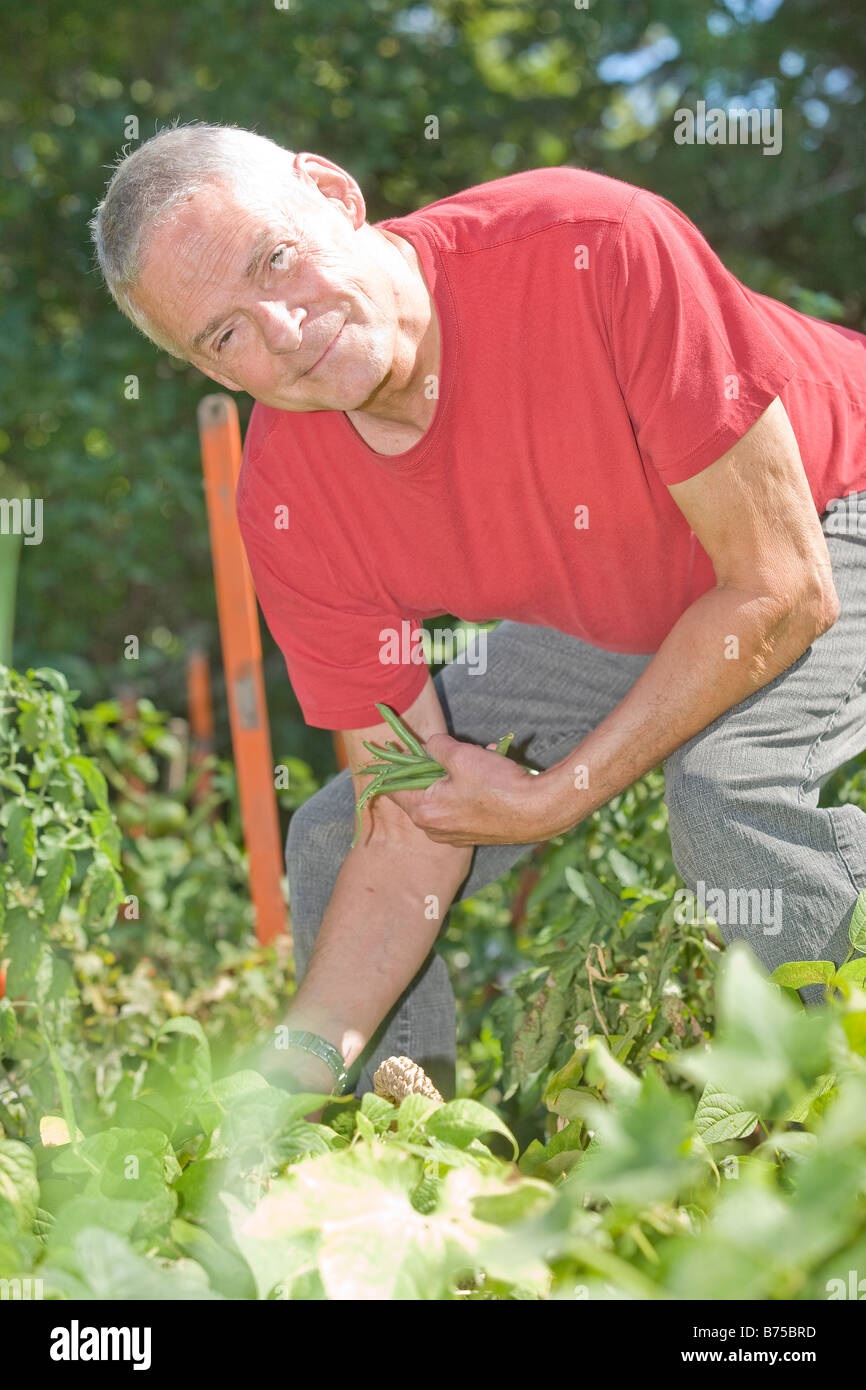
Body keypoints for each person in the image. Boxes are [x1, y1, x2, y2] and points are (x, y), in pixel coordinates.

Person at [90, 122, 866, 1103]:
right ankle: (399, 1150)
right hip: (639, 599)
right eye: (226, 332)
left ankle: (832, 1119)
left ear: (332, 193)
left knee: (725, 788)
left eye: (275, 260)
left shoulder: (592, 241)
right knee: (344, 828)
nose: (283, 330)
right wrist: (295, 1061)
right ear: (209, 370)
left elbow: (776, 588)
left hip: (828, 507)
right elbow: (407, 817)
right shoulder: (287, 502)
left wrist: (557, 791)